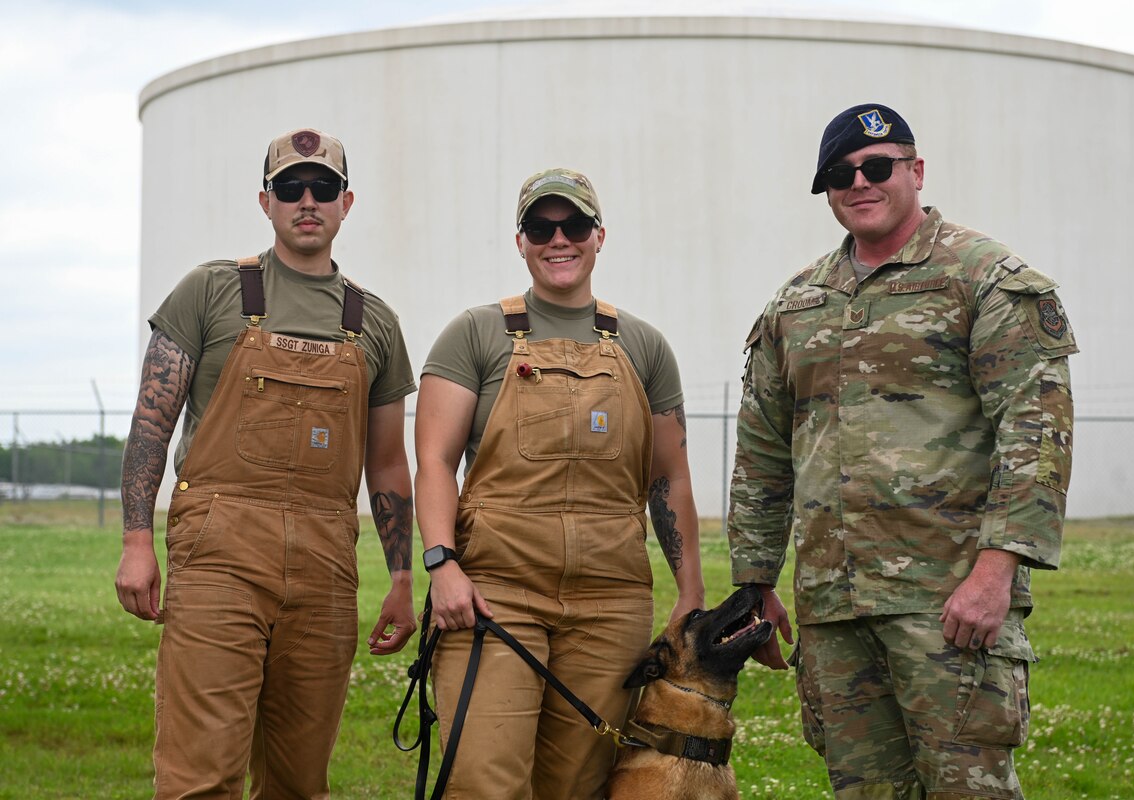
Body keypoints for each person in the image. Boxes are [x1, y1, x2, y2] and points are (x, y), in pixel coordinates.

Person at [727, 104, 1078, 799]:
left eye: (877, 166)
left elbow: (1035, 429)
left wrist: (997, 570)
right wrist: (756, 581)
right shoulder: (797, 303)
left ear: (916, 171)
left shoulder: (983, 280)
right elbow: (763, 450)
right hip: (832, 611)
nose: (859, 182)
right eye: (839, 174)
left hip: (947, 605)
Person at [114, 128, 418, 799]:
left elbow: (389, 465)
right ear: (266, 200)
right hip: (220, 556)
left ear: (346, 202)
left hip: (325, 568)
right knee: (202, 776)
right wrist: (137, 540)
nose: (306, 201)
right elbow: (149, 425)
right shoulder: (211, 291)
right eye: (290, 187)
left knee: (299, 780)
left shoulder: (374, 324)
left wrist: (402, 575)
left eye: (322, 188)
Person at [414, 167, 705, 799]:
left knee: (580, 787)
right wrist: (442, 565)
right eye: (540, 228)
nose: (558, 239)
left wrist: (690, 593)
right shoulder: (475, 334)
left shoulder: (645, 346)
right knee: (484, 782)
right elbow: (433, 461)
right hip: (495, 598)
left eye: (573, 225)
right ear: (520, 241)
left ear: (600, 236)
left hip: (610, 605)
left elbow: (670, 476)